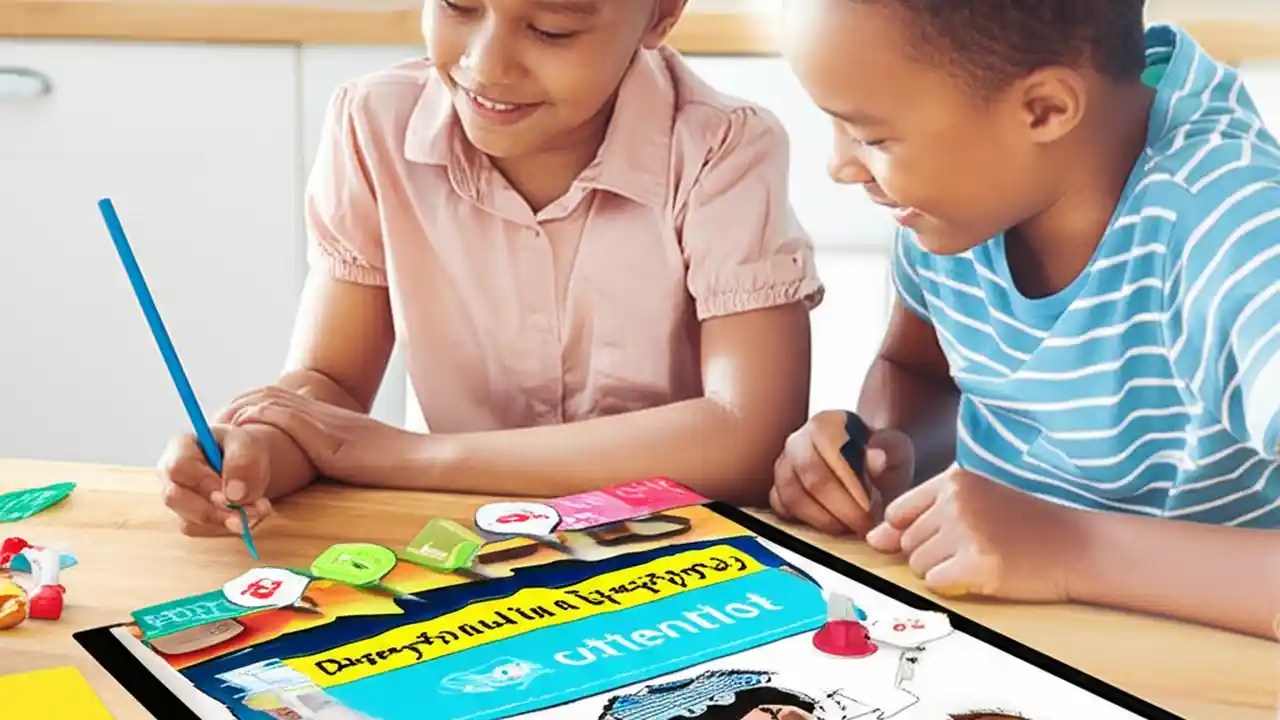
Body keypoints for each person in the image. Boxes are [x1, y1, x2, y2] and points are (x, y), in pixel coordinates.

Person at [158, 0, 821, 537]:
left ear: (659, 16)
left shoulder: (723, 146)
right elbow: (328, 388)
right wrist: (261, 453)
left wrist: (402, 455)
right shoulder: (373, 124)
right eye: (458, 5)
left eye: (550, 27)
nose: (486, 64)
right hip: (473, 546)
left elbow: (749, 435)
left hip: (682, 552)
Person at [771, 0, 1280, 639]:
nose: (839, 168)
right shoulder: (959, 201)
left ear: (1044, 110)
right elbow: (920, 370)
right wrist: (882, 455)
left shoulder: (1235, 231)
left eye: (873, 137)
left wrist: (1067, 548)